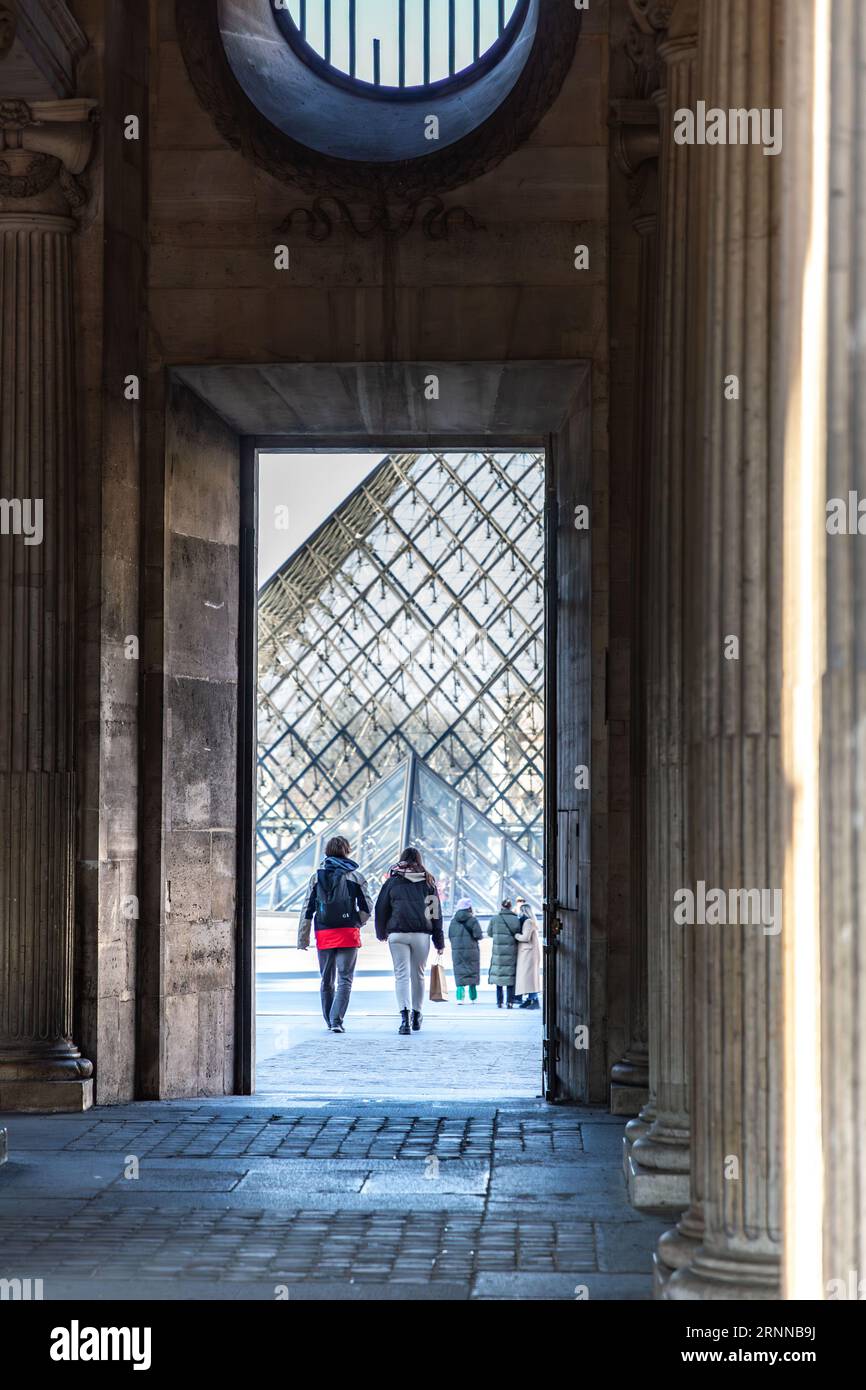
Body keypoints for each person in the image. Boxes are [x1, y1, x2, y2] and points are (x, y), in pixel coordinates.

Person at [297, 835, 372, 1033]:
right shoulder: (356, 876)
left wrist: (302, 937)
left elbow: (308, 907)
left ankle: (329, 1020)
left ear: (326, 852)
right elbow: (367, 907)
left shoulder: (316, 876)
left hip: (324, 933)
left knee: (326, 979)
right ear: (347, 851)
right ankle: (336, 1020)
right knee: (345, 979)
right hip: (348, 933)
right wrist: (357, 922)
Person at [375, 846, 444, 1034]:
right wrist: (439, 941)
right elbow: (435, 913)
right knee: (418, 975)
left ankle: (404, 1019)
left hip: (397, 934)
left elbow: (380, 909)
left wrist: (381, 932)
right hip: (422, 935)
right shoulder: (428, 882)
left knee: (402, 976)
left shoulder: (392, 882)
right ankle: (417, 1014)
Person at [487, 897, 521, 1008]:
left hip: (498, 953)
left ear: (502, 906)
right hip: (511, 952)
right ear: (510, 907)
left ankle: (499, 1002)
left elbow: (489, 933)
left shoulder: (495, 919)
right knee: (510, 977)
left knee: (499, 977)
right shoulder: (516, 919)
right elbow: (518, 933)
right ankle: (510, 1002)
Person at [448, 897, 483, 1004]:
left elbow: (450, 936)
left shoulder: (453, 921)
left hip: (457, 951)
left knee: (459, 973)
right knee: (472, 972)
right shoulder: (473, 920)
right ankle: (473, 997)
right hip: (472, 951)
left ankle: (460, 998)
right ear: (469, 908)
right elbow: (478, 935)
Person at [514, 898, 541, 1009]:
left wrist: (516, 935)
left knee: (530, 978)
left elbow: (525, 937)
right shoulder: (530, 921)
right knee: (528, 978)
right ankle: (530, 999)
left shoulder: (528, 921)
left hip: (528, 953)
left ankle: (534, 1000)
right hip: (528, 953)